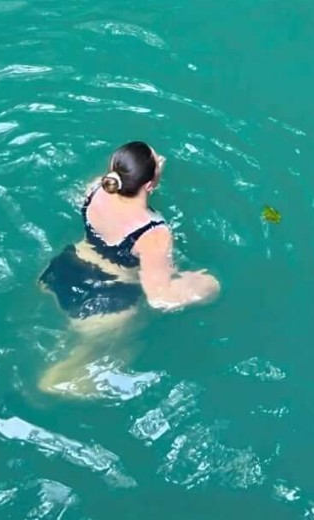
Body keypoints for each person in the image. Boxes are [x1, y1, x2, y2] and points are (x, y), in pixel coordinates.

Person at [39, 141, 219, 392]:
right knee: (92, 364)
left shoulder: (96, 190)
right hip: (106, 305)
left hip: (58, 274)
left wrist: (148, 176)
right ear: (149, 184)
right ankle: (50, 388)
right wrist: (206, 287)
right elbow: (159, 298)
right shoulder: (153, 234)